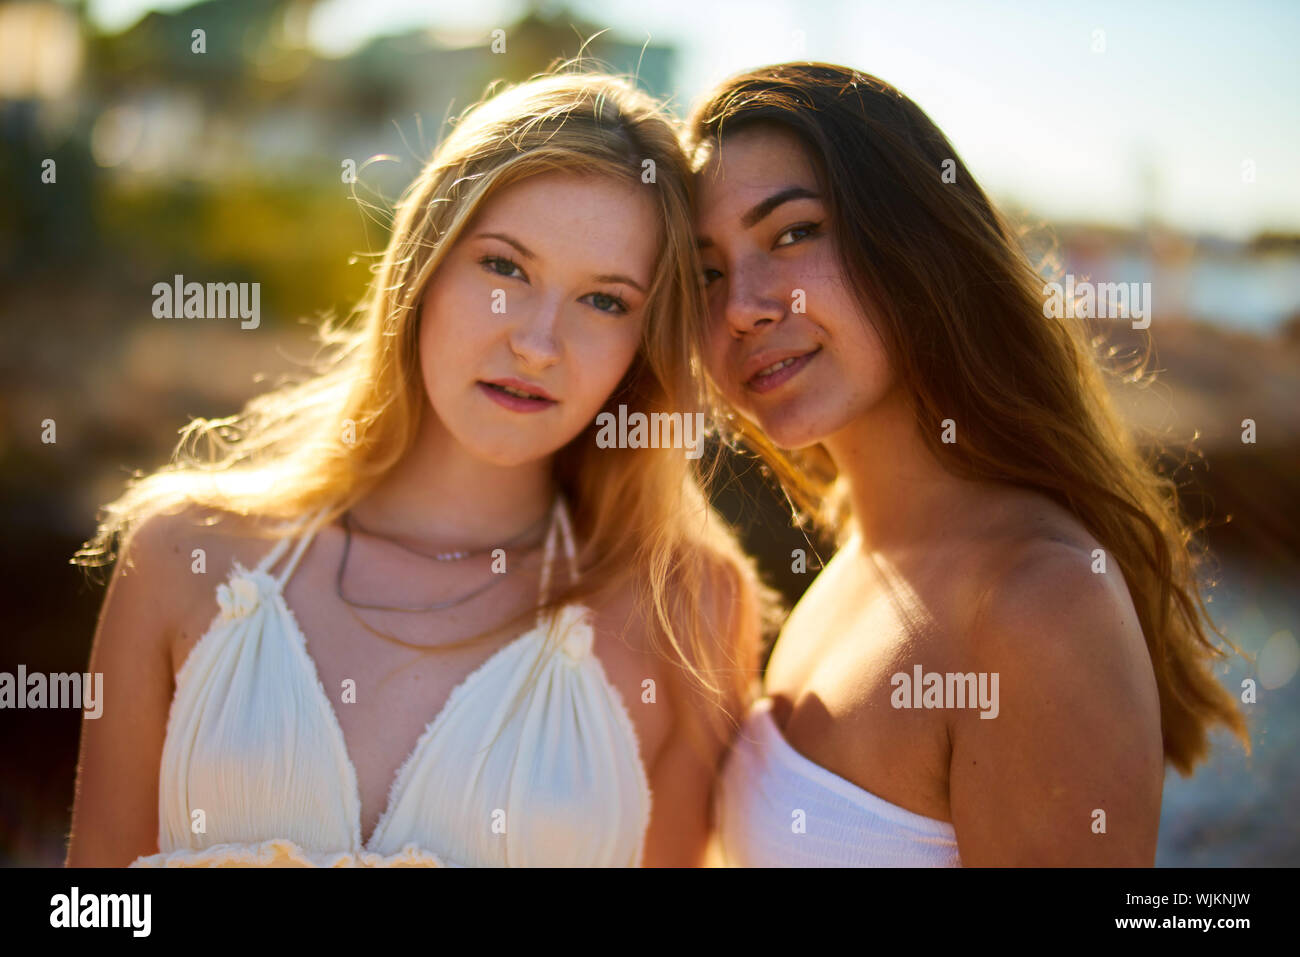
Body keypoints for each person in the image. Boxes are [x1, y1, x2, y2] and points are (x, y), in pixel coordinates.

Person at [65, 69, 767, 867]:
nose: (538, 342)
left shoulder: (682, 610)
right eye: (505, 268)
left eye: (605, 301)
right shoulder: (184, 553)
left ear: (642, 346)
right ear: (426, 265)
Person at [688, 62, 1250, 866]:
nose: (742, 305)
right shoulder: (860, 550)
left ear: (916, 242)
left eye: (794, 232)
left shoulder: (1038, 605)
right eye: (706, 272)